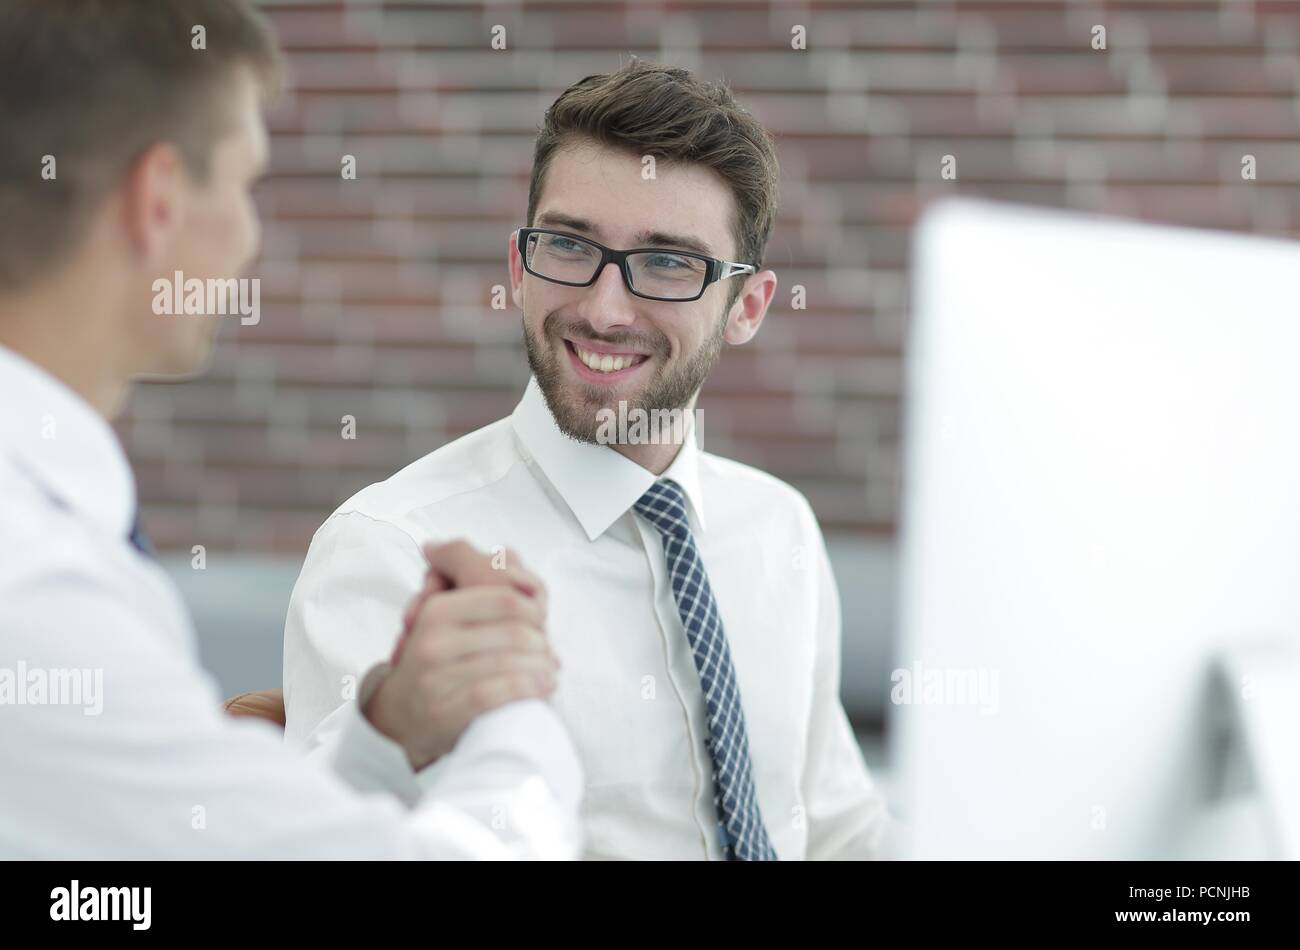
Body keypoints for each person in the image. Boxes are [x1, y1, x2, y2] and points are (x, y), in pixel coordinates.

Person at [0, 0, 581, 860]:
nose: (249, 238)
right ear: (157, 198)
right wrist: (519, 716)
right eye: (243, 185)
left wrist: (386, 736)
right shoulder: (35, 592)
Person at [285, 58, 895, 859]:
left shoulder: (779, 526)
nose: (604, 309)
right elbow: (317, 841)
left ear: (746, 307)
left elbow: (839, 829)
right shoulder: (393, 549)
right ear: (518, 266)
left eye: (669, 263)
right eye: (570, 246)